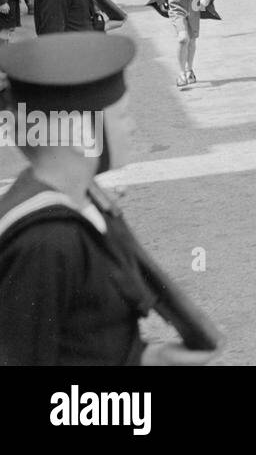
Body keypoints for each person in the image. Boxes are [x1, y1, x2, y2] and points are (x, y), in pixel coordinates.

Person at [0, 32, 218, 365]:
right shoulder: (45, 242)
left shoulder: (85, 203)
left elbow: (89, 343)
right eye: (123, 115)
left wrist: (154, 359)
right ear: (79, 134)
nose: (132, 127)